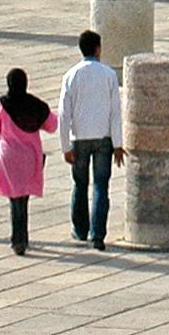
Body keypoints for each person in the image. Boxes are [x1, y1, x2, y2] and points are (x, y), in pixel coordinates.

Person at [56, 28, 122, 249]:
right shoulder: (109, 74)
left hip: (80, 137)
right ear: (98, 48)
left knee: (80, 184)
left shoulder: (71, 75)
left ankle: (80, 229)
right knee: (101, 186)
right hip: (103, 137)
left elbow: (64, 114)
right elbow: (115, 112)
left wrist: (65, 146)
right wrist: (118, 144)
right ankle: (98, 235)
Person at [0, 67, 55, 253]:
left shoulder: (1, 104)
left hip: (8, 156)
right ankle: (23, 238)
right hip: (29, 156)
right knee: (24, 198)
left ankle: (16, 238)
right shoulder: (35, 105)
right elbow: (52, 125)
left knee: (14, 197)